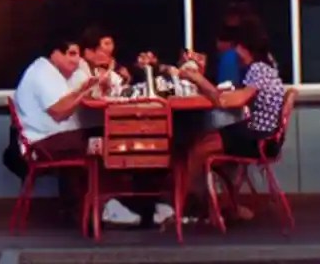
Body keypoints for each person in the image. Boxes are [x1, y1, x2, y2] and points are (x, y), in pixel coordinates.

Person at [172, 25, 286, 220]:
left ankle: (188, 205)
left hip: (260, 139)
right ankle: (211, 205)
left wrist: (197, 79)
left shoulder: (258, 69)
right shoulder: (266, 68)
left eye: (236, 47)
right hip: (263, 135)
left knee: (198, 150)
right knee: (203, 142)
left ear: (243, 47)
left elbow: (228, 101)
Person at [70, 28, 175, 227]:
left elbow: (121, 89)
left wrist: (122, 76)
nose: (110, 50)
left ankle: (144, 205)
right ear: (89, 52)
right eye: (105, 45)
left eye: (111, 45)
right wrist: (108, 74)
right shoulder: (81, 70)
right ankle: (130, 206)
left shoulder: (105, 67)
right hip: (89, 130)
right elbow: (93, 97)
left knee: (150, 144)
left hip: (106, 125)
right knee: (138, 145)